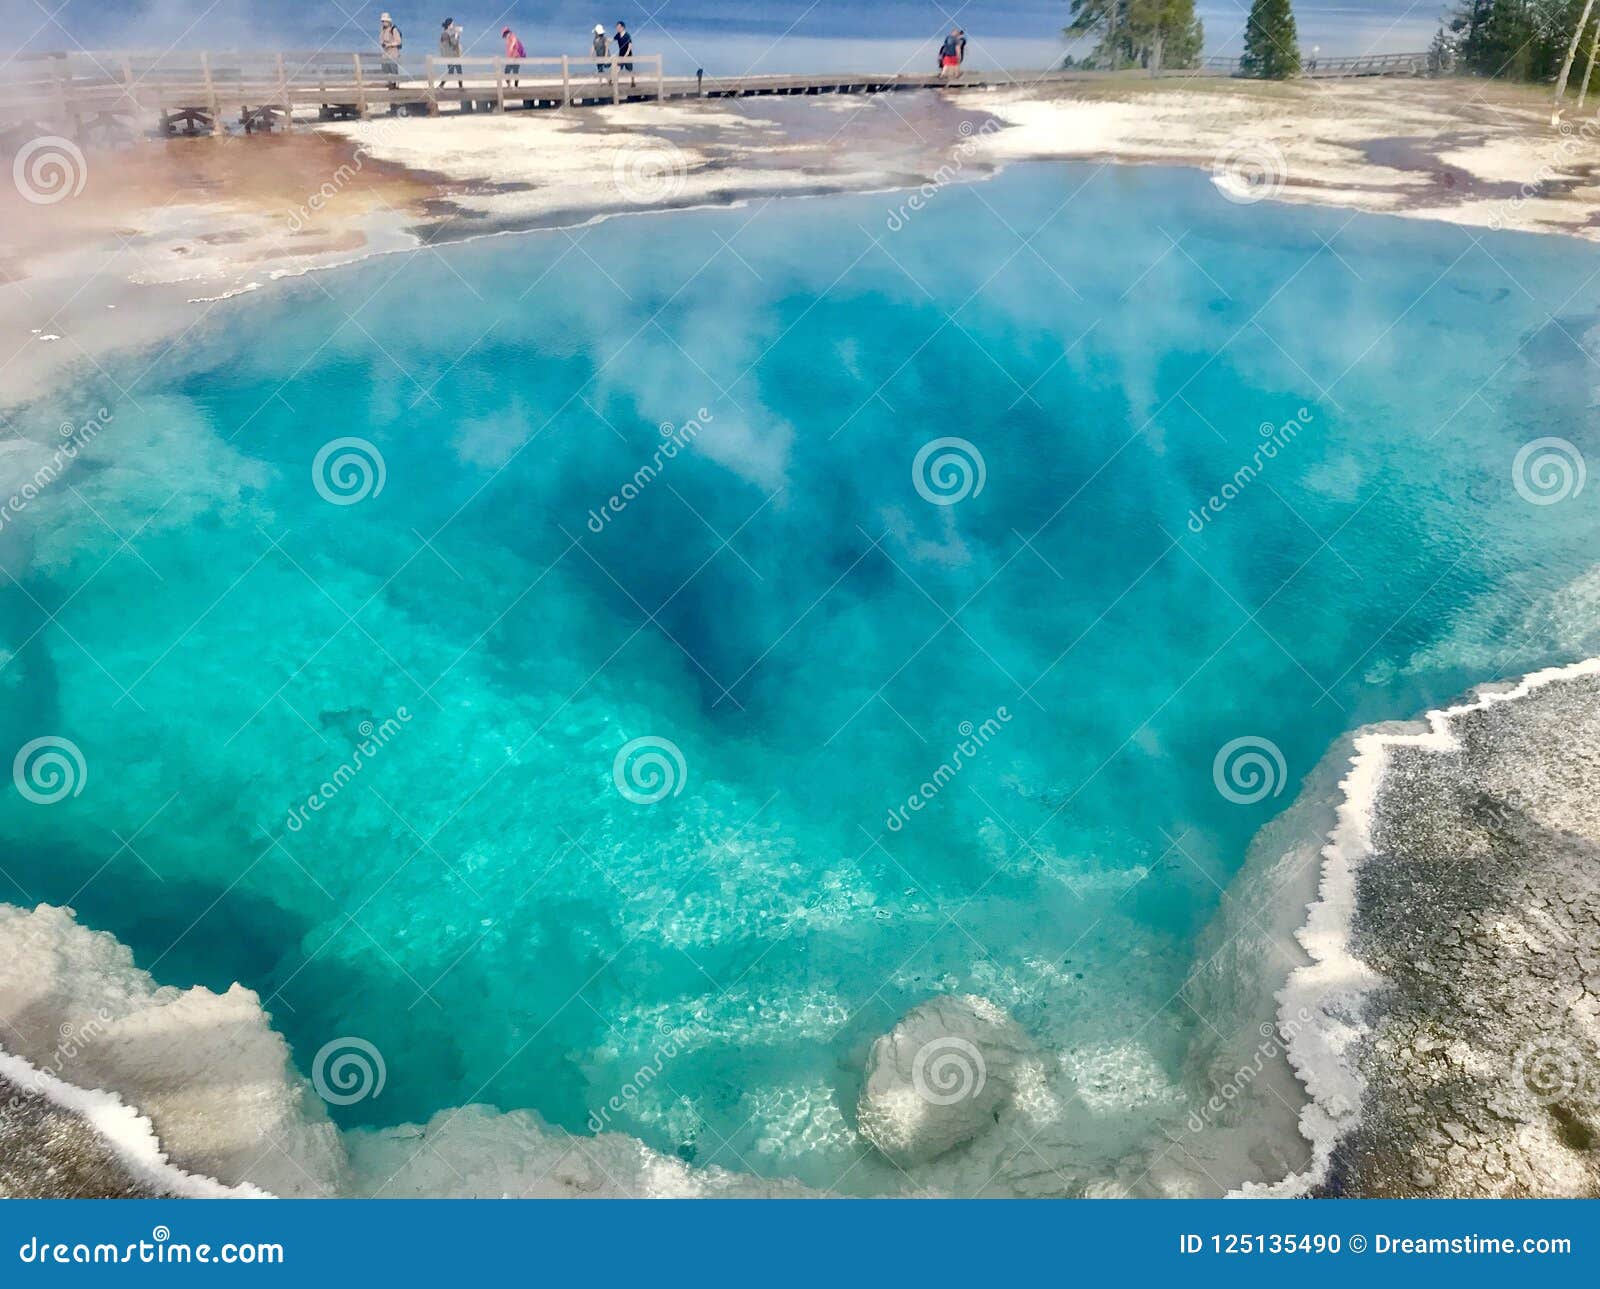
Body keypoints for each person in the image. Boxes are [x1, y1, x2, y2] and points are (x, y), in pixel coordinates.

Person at [380, 12, 403, 87]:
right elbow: (381, 39)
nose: (383, 23)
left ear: (388, 21)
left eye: (384, 21)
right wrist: (383, 44)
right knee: (385, 67)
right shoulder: (383, 30)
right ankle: (390, 82)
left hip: (393, 52)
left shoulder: (394, 29)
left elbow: (399, 42)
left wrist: (389, 44)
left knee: (393, 68)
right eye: (382, 21)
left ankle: (395, 84)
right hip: (386, 52)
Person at [439, 17, 463, 91]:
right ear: (449, 25)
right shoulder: (446, 34)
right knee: (457, 71)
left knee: (453, 71)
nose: (453, 25)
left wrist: (456, 34)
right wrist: (456, 34)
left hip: (451, 55)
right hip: (452, 56)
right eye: (452, 24)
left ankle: (442, 85)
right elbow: (454, 43)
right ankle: (460, 87)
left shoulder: (446, 33)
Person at [614, 21, 635, 88]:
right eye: (616, 27)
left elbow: (630, 44)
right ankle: (614, 82)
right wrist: (607, 40)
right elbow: (612, 39)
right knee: (617, 68)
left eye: (618, 27)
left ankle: (633, 82)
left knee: (630, 70)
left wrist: (627, 53)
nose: (617, 28)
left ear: (622, 27)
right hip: (621, 55)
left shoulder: (627, 35)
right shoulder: (618, 35)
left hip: (628, 55)